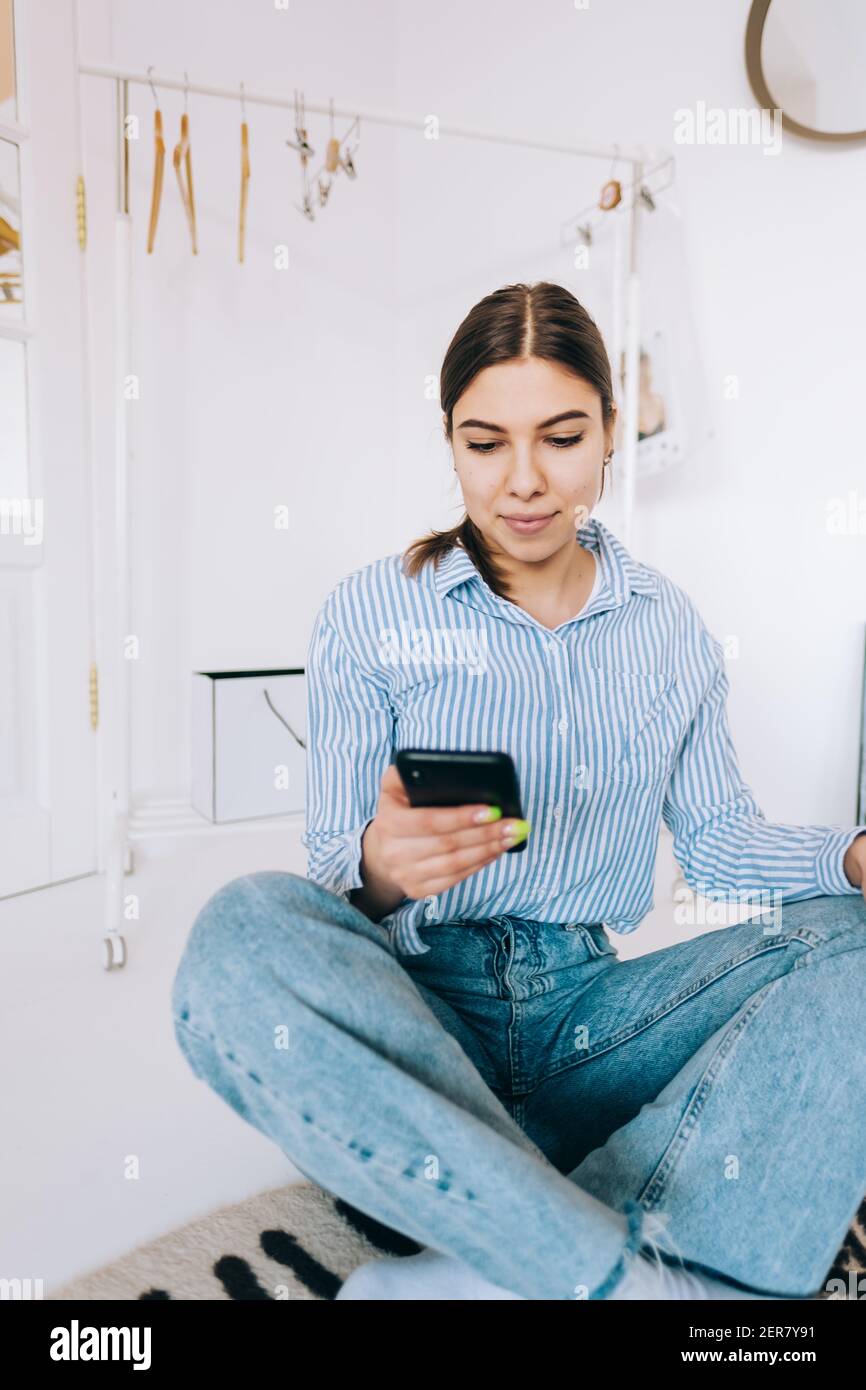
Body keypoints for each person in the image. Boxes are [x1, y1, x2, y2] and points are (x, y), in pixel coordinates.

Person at [171, 281, 866, 1301]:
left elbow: (718, 845)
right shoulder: (369, 611)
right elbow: (324, 883)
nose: (524, 481)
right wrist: (376, 870)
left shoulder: (667, 627)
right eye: (485, 441)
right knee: (241, 926)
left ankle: (496, 1256)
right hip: (420, 1032)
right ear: (449, 443)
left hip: (590, 1014)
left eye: (561, 435)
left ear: (609, 434)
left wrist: (848, 857)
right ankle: (626, 1281)